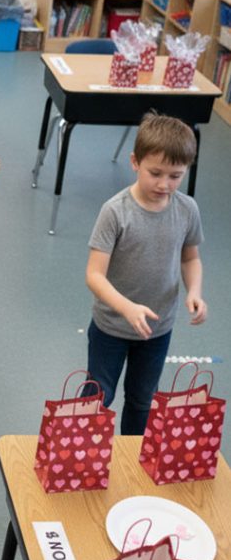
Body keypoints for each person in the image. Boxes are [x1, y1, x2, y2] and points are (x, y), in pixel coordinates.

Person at [84, 112, 207, 434]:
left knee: (142, 400)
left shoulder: (187, 210)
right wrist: (127, 307)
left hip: (157, 329)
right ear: (135, 161)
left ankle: (132, 463)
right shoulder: (115, 211)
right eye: (156, 173)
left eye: (176, 176)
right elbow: (94, 275)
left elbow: (191, 258)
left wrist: (194, 291)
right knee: (98, 398)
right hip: (111, 326)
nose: (165, 184)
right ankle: (81, 457)